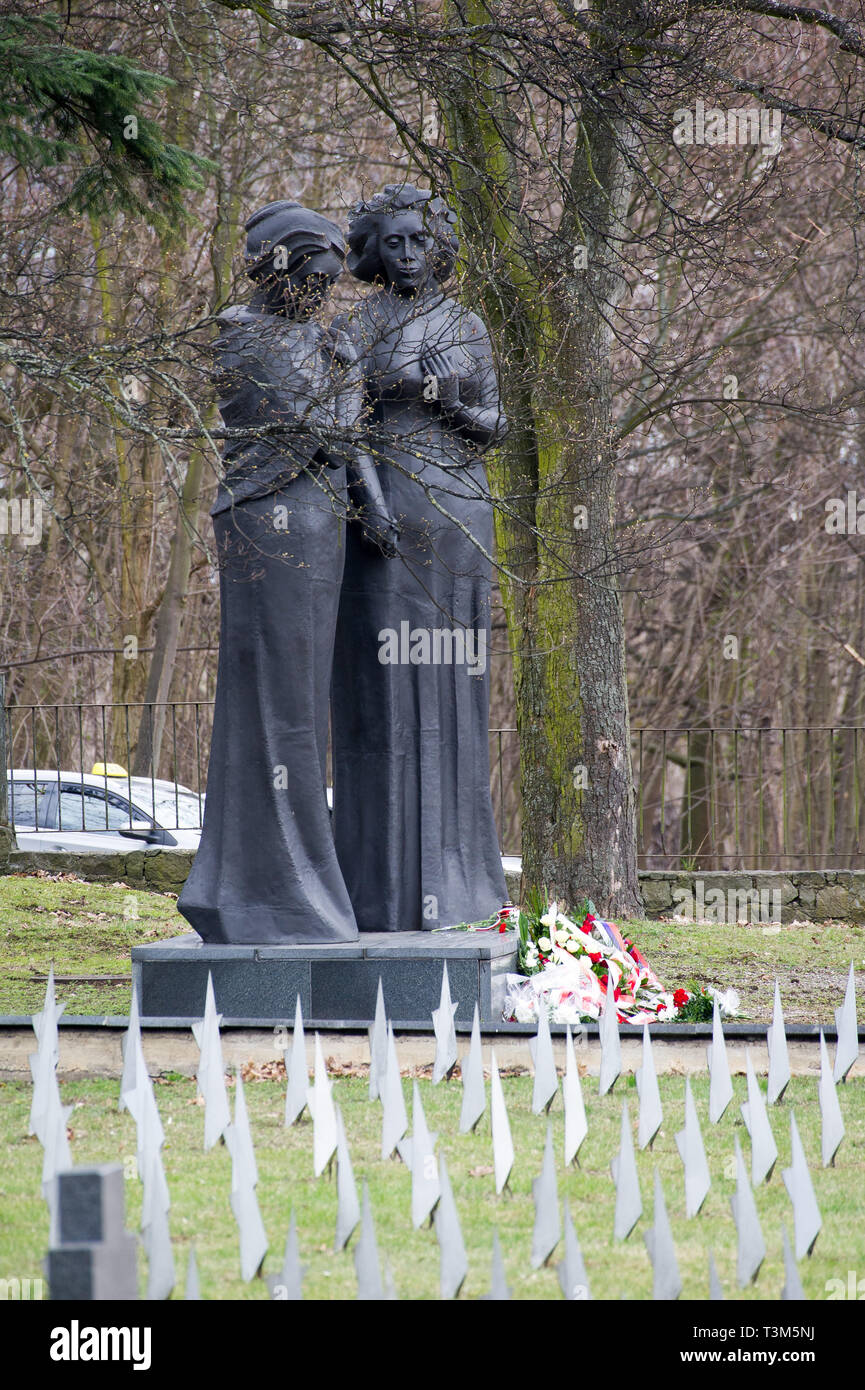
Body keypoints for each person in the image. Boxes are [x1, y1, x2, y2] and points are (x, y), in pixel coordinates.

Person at [178, 200, 397, 945]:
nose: (322, 295)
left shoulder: (323, 342)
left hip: (318, 522)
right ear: (276, 268)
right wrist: (351, 383)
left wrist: (371, 501)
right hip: (265, 521)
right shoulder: (242, 336)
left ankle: (289, 884)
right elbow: (319, 427)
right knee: (274, 703)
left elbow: (347, 432)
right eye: (313, 279)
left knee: (302, 706)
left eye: (333, 283)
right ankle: (264, 889)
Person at [331, 184, 508, 932]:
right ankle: (381, 891)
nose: (408, 255)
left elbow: (495, 424)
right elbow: (343, 426)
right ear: (373, 249)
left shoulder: (466, 323)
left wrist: (449, 402)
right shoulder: (354, 327)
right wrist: (367, 501)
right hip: (387, 513)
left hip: (459, 510)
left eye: (420, 241)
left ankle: (463, 887)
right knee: (382, 695)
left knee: (454, 698)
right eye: (394, 242)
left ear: (440, 247)